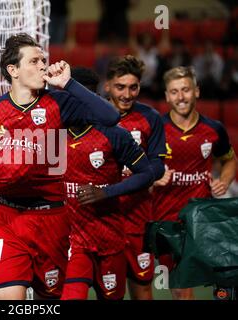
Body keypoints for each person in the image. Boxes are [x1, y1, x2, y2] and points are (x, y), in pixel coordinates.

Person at [0, 33, 120, 300]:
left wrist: (68, 83)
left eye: (43, 60)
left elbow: (110, 116)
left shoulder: (59, 103)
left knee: (48, 299)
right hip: (9, 219)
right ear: (13, 70)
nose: (42, 66)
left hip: (52, 219)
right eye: (34, 61)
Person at [61, 67, 155, 300]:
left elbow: (147, 174)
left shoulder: (114, 134)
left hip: (109, 238)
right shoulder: (53, 134)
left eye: (88, 97)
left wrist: (106, 192)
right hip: (73, 240)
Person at [153, 66, 237, 300]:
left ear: (197, 91)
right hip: (167, 222)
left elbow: (230, 160)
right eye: (175, 91)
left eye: (186, 90)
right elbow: (138, 171)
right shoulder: (156, 130)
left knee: (223, 289)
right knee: (180, 290)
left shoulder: (214, 129)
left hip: (202, 220)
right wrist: (154, 178)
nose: (181, 97)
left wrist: (223, 180)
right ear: (167, 96)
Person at [103, 55, 166, 300]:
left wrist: (144, 177)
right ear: (107, 86)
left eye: (133, 87)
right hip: (104, 219)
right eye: (120, 87)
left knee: (142, 289)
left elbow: (158, 166)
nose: (127, 94)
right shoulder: (92, 117)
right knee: (109, 292)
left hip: (138, 219)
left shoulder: (150, 118)